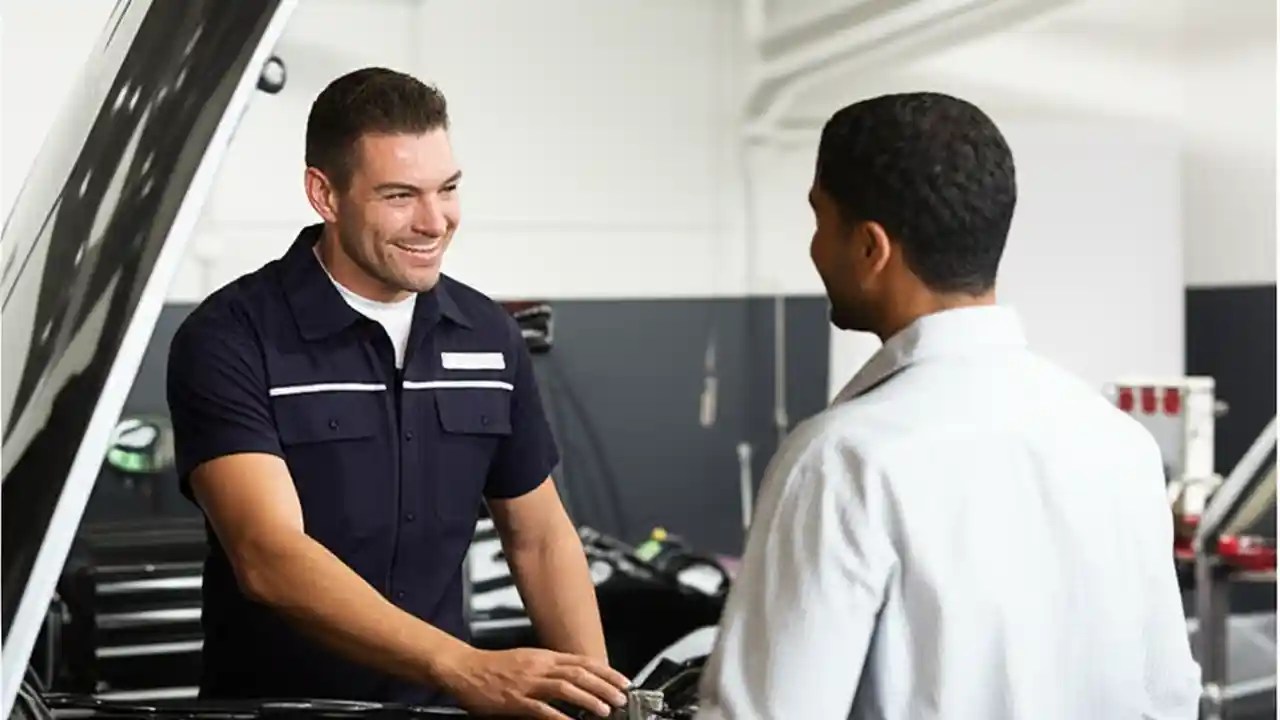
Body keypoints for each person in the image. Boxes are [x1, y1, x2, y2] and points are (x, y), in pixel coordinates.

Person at [693, 92, 1202, 719]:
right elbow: (1170, 698)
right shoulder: (1120, 443)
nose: (815, 248)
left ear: (870, 248)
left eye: (820, 220)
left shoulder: (842, 461)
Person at [166, 67, 630, 718]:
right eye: (399, 195)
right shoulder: (231, 338)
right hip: (278, 709)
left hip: (440, 708)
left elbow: (540, 537)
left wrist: (600, 699)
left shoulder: (489, 336)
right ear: (324, 194)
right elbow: (268, 555)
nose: (434, 221)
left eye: (448, 189)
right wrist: (465, 666)